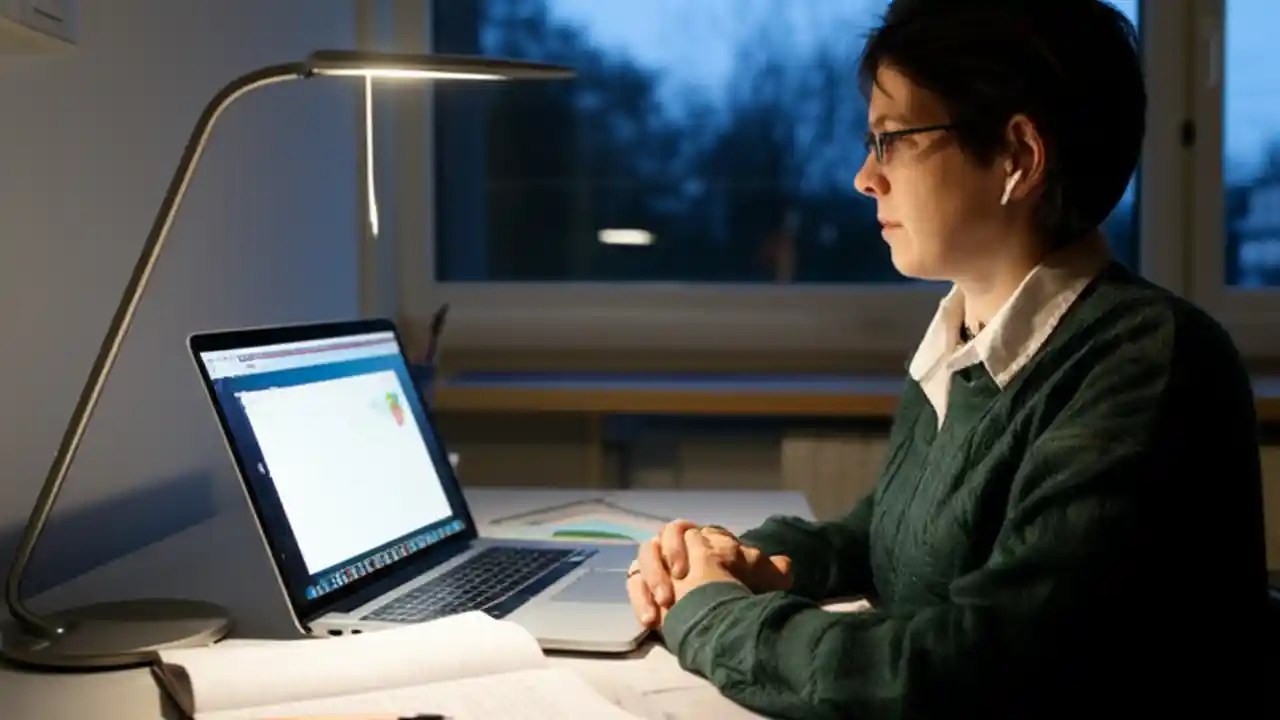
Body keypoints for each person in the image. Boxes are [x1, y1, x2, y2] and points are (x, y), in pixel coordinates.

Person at [625, 1, 1270, 717]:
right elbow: (890, 542)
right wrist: (737, 558)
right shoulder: (968, 341)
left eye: (892, 139)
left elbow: (971, 666)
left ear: (1018, 157)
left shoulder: (1148, 363)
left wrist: (714, 618)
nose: (865, 178)